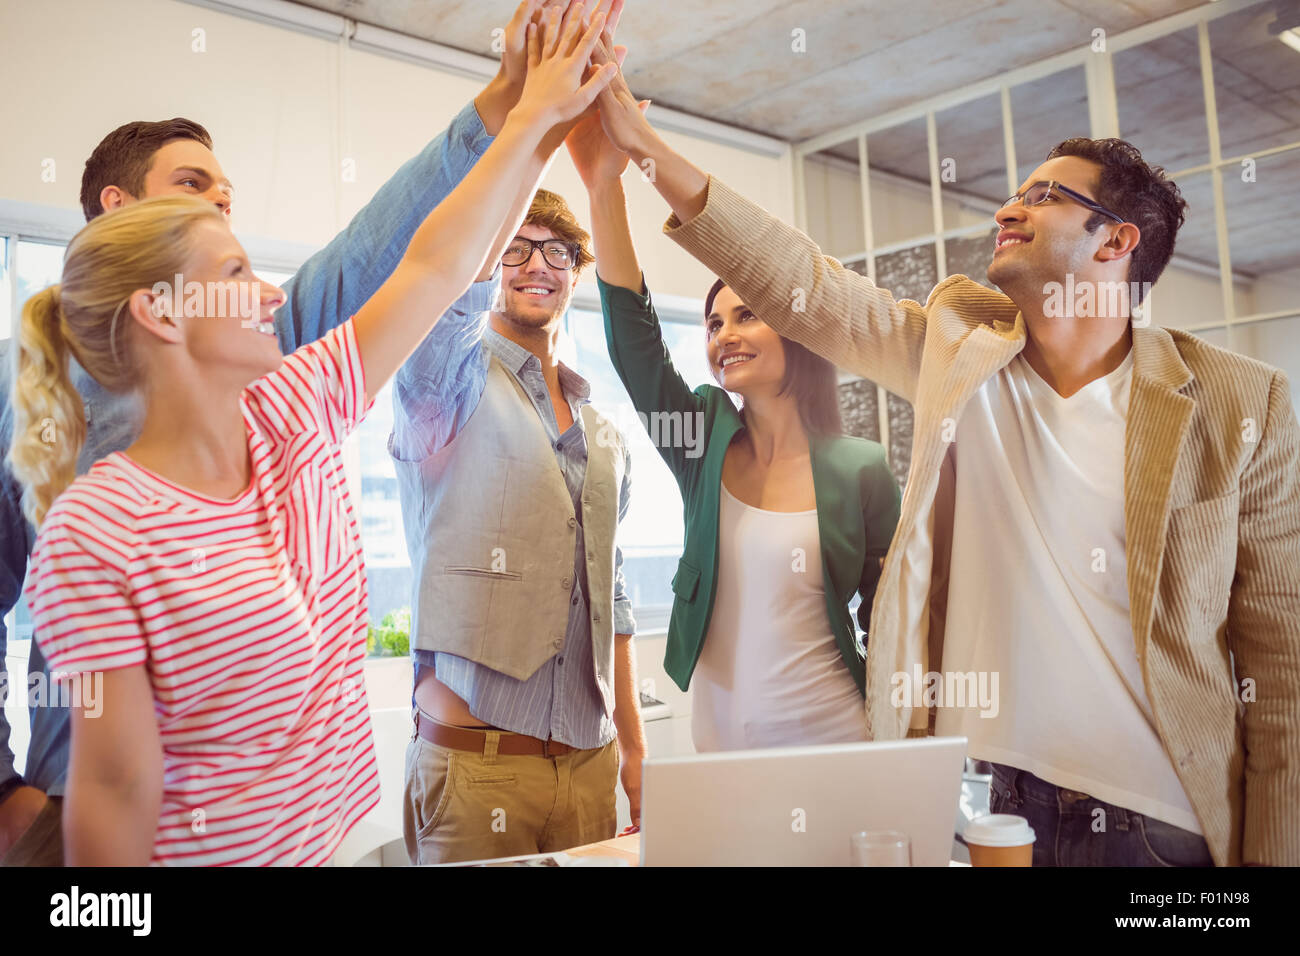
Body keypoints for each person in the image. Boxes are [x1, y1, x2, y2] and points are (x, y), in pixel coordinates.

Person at [586, 37, 1299, 866]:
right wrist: (641, 154)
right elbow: (803, 283)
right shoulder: (955, 352)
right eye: (1014, 192)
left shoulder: (1243, 403)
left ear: (1115, 243)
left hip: (1155, 823)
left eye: (1045, 196)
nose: (1008, 208)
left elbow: (1280, 667)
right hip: (986, 806)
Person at [7, 3, 617, 865]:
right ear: (162, 310)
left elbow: (436, 263)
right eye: (235, 273)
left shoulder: (296, 405)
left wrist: (534, 118)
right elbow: (115, 796)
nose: (268, 295)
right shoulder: (96, 530)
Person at [567, 109, 899, 751]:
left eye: (747, 315)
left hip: (837, 733)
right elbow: (638, 353)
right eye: (714, 324)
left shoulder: (860, 468)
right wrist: (604, 186)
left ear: (795, 330)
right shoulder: (703, 440)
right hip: (723, 739)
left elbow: (894, 615)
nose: (725, 335)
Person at [394, 180, 647, 865]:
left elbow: (612, 600)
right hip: (478, 770)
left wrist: (635, 751)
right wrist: (535, 131)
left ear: (576, 272)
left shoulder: (605, 431)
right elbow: (444, 303)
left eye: (558, 251)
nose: (539, 264)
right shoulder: (445, 382)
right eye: (516, 249)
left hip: (590, 768)